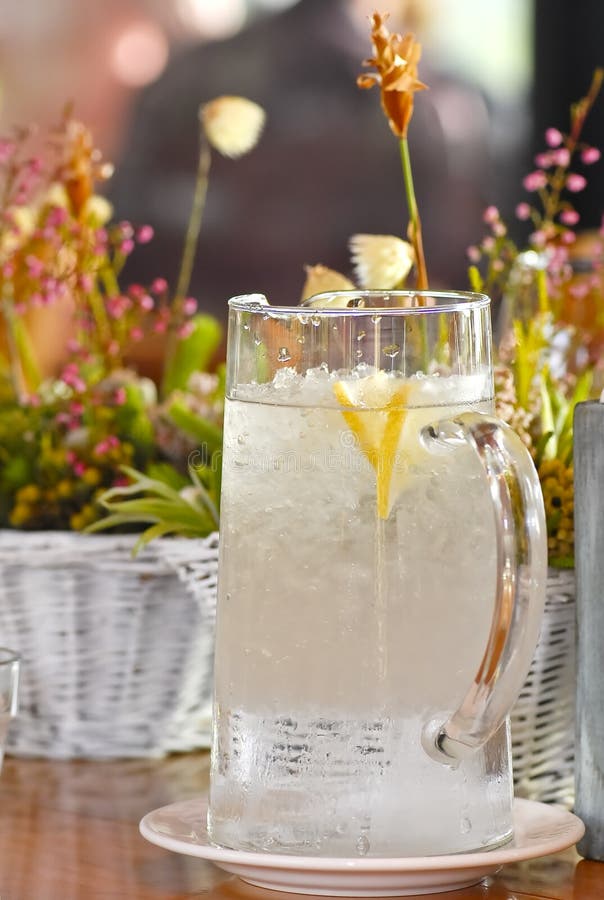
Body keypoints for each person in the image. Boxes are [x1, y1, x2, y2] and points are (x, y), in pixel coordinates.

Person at [109, 0, 507, 320]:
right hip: (365, 375)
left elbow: (123, 250)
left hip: (188, 353)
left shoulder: (187, 75)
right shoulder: (446, 105)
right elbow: (463, 282)